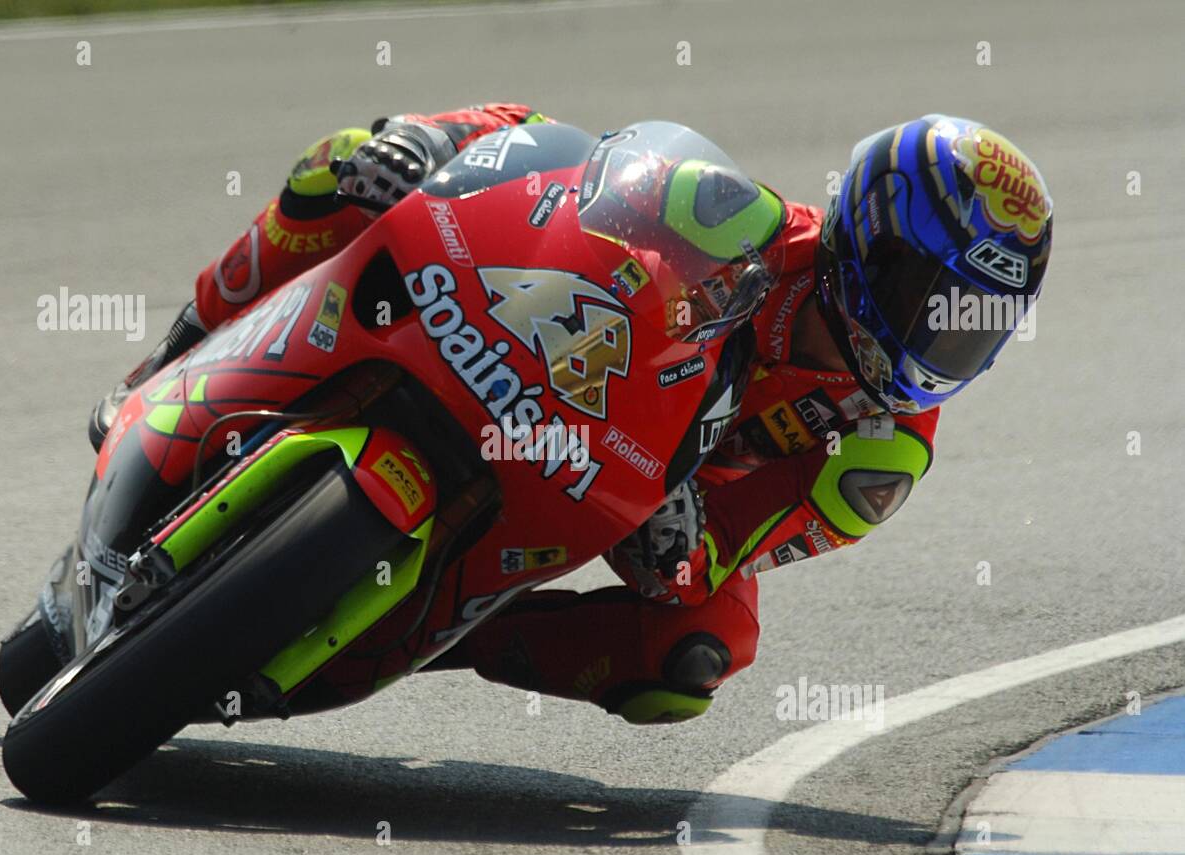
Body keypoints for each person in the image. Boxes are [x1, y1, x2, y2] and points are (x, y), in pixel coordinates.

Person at [91, 104, 1053, 724]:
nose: (942, 339)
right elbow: (553, 154)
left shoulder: (878, 459)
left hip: (630, 496)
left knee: (696, 655)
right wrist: (436, 142)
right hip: (541, 379)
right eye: (932, 298)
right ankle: (177, 351)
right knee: (346, 164)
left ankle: (444, 632)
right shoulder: (736, 217)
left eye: (974, 323)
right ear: (872, 244)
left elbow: (735, 549)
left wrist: (689, 547)